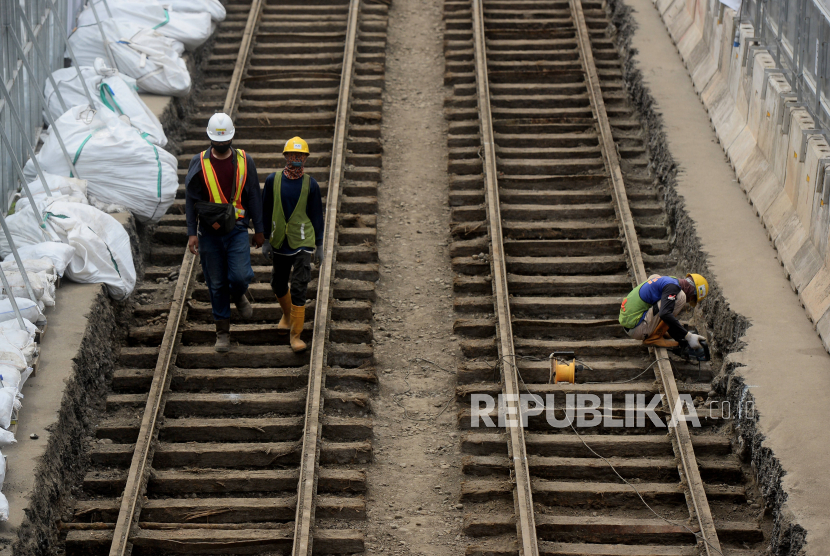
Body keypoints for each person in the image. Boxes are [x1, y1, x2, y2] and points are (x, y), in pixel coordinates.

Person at [184, 113, 265, 352]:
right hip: (209, 233)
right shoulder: (197, 162)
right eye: (216, 142)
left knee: (240, 276)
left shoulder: (244, 160)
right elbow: (191, 200)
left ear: (231, 137)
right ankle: (222, 333)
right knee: (216, 284)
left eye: (224, 141)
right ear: (210, 139)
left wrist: (259, 229)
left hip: (237, 228)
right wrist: (192, 232)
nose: (220, 145)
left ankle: (239, 294)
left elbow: (253, 195)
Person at [261, 136, 324, 353]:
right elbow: (266, 210)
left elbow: (317, 215)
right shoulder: (272, 180)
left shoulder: (311, 184)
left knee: (299, 286)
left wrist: (320, 245)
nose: (296, 159)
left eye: (300, 155)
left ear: (305, 158)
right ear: (286, 156)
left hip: (302, 241)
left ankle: (296, 335)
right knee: (278, 283)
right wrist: (266, 241)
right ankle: (287, 315)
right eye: (292, 155)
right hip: (280, 240)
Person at [618, 273, 709, 348]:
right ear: (692, 293)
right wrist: (688, 336)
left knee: (655, 277)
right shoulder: (674, 289)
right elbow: (664, 314)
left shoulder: (671, 279)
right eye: (692, 299)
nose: (689, 302)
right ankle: (654, 337)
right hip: (637, 329)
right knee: (680, 297)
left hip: (630, 322)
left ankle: (659, 331)